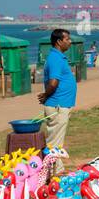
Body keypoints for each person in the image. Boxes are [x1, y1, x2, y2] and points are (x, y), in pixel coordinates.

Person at [38, 28, 77, 166]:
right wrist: (46, 95)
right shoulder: (55, 58)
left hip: (61, 104)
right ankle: (50, 173)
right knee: (54, 145)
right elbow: (53, 82)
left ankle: (56, 171)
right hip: (58, 106)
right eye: (67, 39)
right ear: (59, 42)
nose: (70, 42)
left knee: (57, 143)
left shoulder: (58, 57)